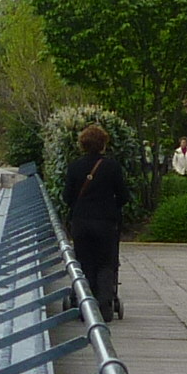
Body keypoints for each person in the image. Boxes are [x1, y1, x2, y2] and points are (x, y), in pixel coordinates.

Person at [61, 123, 130, 321]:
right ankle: (105, 305)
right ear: (103, 144)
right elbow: (123, 196)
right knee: (105, 263)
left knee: (84, 262)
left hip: (81, 222)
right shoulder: (112, 167)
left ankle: (85, 304)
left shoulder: (74, 167)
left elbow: (67, 197)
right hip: (106, 223)